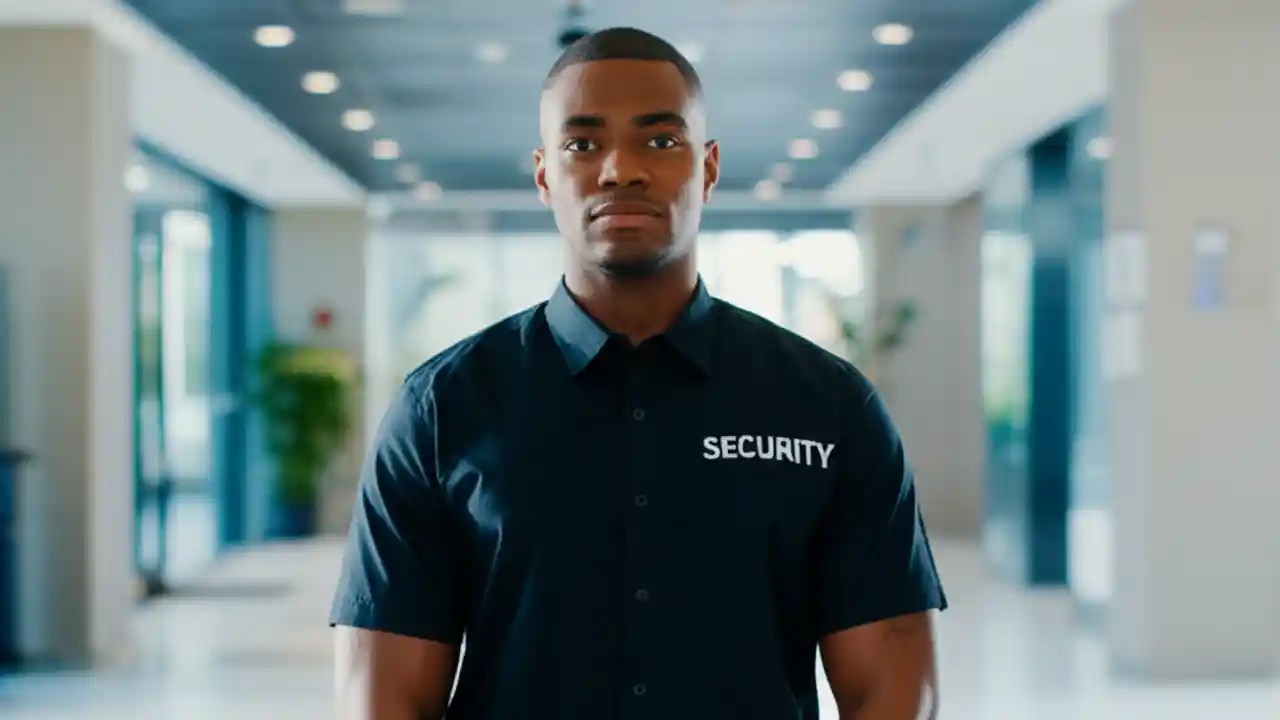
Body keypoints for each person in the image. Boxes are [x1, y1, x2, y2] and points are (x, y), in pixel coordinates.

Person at [330, 26, 947, 720]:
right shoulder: (443, 409)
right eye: (582, 143)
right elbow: (383, 696)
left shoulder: (829, 407)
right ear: (543, 176)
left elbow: (891, 681)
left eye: (659, 140)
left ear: (707, 168)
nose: (620, 168)